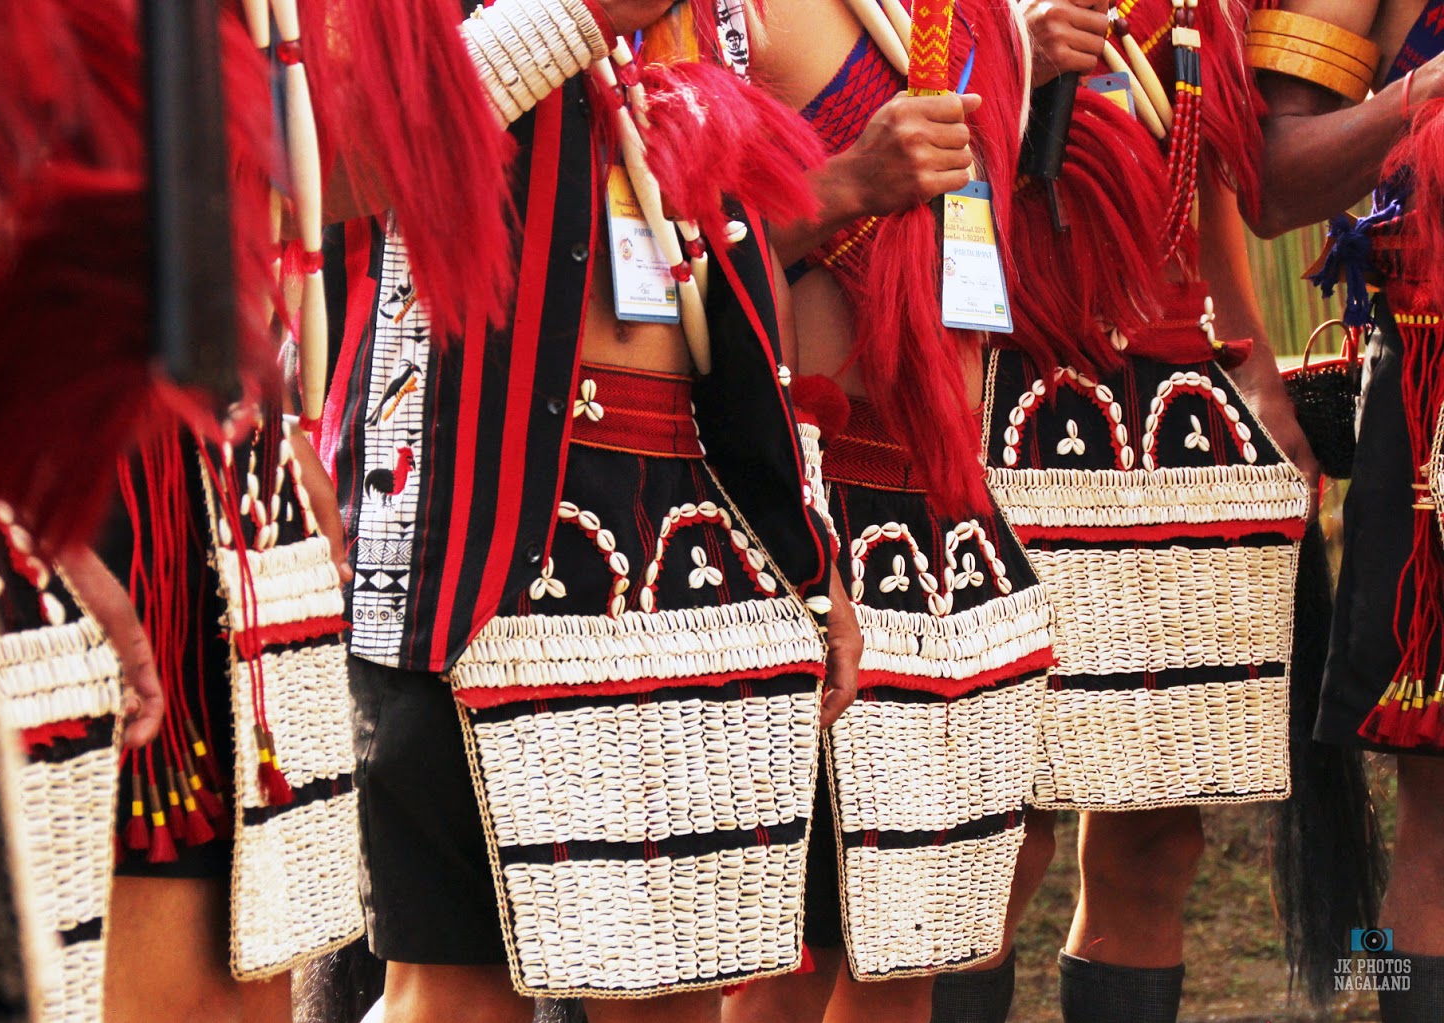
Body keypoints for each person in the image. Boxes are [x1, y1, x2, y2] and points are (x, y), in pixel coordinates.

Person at [316, 2, 863, 1021]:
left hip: (679, 544)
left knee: (676, 983)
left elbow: (733, 296)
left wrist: (805, 560)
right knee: (452, 993)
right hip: (459, 537)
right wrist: (577, 11)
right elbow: (336, 162)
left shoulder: (701, 22)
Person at [954, 1, 1313, 1021]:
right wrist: (1010, 58)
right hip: (987, 387)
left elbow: (1195, 178)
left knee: (1158, 836)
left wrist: (1256, 369)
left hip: (1168, 408)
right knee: (983, 839)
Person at [720, 2, 1055, 1022]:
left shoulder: (991, 21)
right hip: (810, 503)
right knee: (786, 959)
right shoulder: (738, 17)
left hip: (946, 503)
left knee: (910, 949)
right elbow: (693, 262)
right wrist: (849, 186)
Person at [1249, 2, 1444, 1019]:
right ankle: (1385, 993)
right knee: (1437, 803)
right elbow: (1272, 183)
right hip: (1431, 383)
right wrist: (1429, 90)